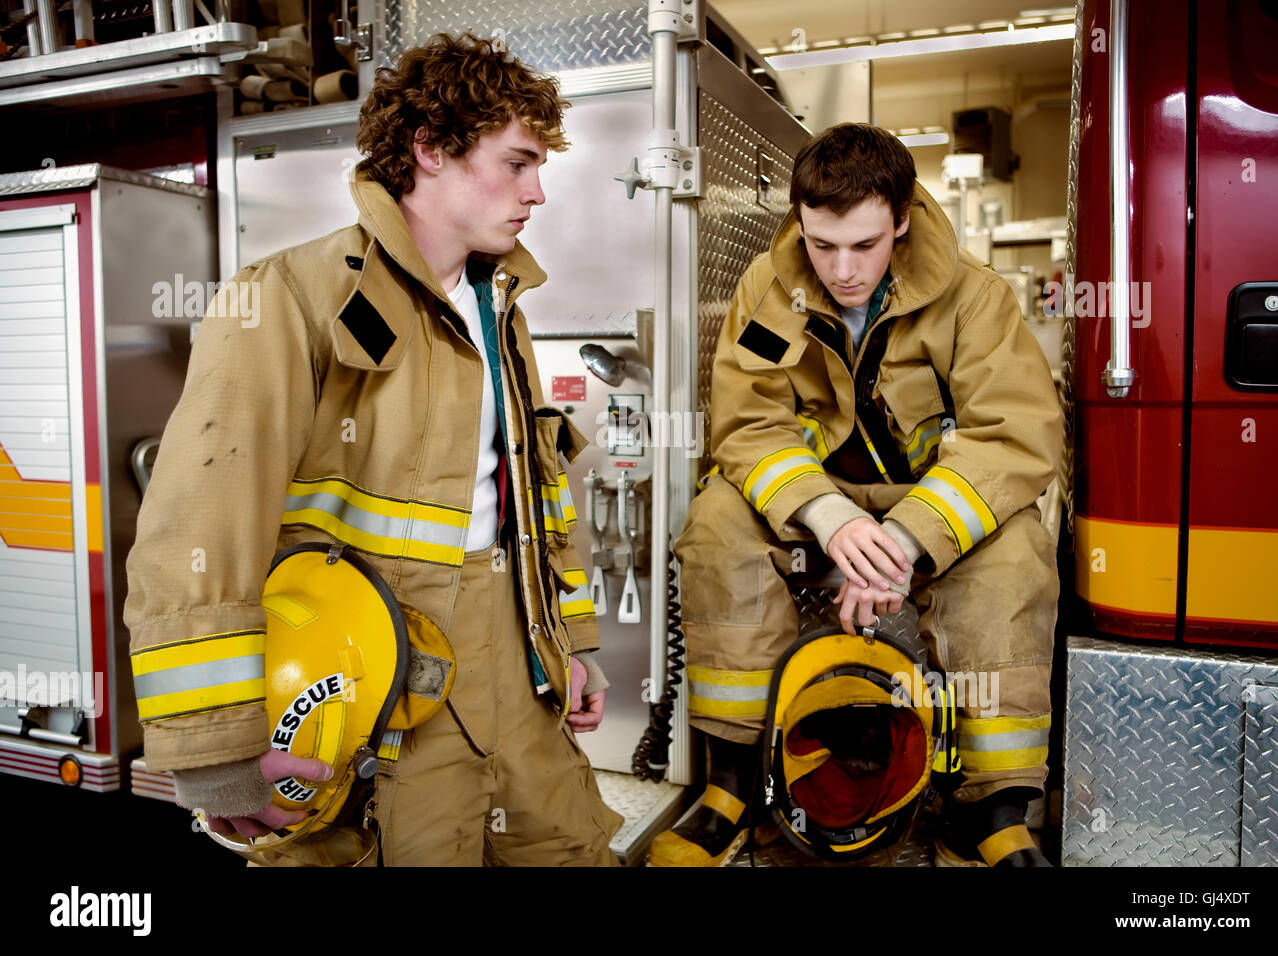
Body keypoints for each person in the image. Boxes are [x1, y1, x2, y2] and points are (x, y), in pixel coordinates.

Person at [124, 31, 623, 866]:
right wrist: (213, 753)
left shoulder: (503, 311)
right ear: (430, 149)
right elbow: (202, 524)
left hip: (523, 678)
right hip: (380, 685)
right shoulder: (289, 299)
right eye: (517, 163)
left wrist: (571, 646)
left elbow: (535, 500)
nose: (538, 193)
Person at [650, 123, 1062, 867]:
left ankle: (994, 813)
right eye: (821, 244)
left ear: (901, 221)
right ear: (799, 223)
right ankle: (732, 789)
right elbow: (747, 425)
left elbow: (1016, 437)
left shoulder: (975, 295)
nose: (841, 270)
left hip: (929, 499)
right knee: (715, 522)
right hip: (818, 501)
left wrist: (904, 540)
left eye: (864, 245)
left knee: (1019, 554)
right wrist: (827, 513)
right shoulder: (766, 291)